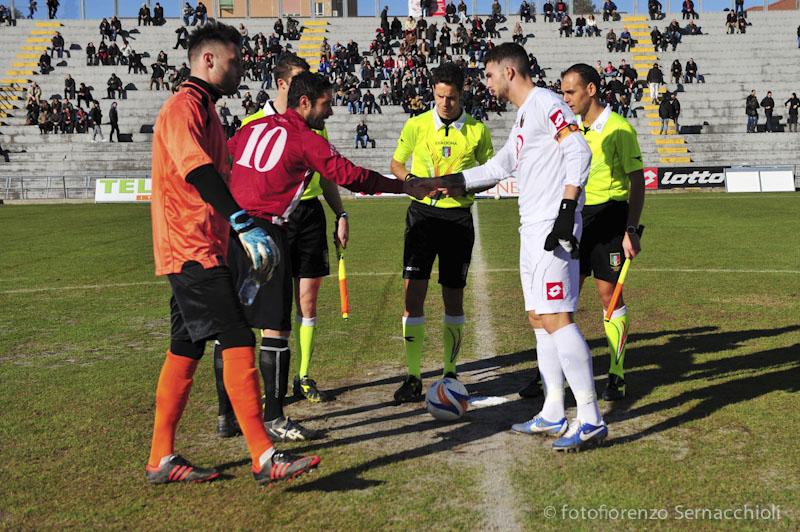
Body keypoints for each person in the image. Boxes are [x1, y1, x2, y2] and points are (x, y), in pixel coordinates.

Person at [147, 20, 321, 486]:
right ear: (209, 60)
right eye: (235, 60)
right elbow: (197, 172)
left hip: (201, 245)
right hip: (191, 246)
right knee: (238, 336)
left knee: (185, 347)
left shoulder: (205, 108)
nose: (241, 68)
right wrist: (243, 222)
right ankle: (264, 457)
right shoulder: (184, 107)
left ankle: (160, 458)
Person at [225, 72, 434, 435]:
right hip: (267, 232)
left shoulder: (252, 127)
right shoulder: (305, 138)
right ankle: (273, 419)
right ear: (304, 102)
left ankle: (228, 416)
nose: (332, 111)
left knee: (232, 326)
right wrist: (404, 186)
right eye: (326, 103)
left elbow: (224, 160)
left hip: (233, 229)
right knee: (276, 327)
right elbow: (352, 176)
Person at [432, 44, 605, 451]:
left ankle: (592, 417)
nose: (485, 82)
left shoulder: (545, 102)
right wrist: (452, 181)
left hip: (551, 226)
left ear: (509, 72)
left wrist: (567, 209)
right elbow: (500, 166)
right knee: (537, 317)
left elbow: (578, 149)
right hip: (531, 228)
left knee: (558, 317)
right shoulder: (525, 115)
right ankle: (552, 410)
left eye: (489, 75)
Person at [529, 64, 643, 401]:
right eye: (562, 92)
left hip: (610, 219)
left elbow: (636, 181)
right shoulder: (571, 128)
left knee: (610, 299)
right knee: (558, 299)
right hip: (575, 219)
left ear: (590, 90)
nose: (565, 98)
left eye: (570, 92)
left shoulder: (619, 128)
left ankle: (617, 375)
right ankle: (548, 376)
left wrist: (631, 229)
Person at [388, 62, 494, 404]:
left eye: (451, 97)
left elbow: (491, 172)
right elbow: (396, 163)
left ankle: (450, 370)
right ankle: (414, 376)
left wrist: (463, 186)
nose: (445, 103)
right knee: (412, 297)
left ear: (461, 94)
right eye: (439, 96)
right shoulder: (417, 124)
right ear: (433, 93)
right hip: (421, 218)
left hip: (458, 221)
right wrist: (411, 183)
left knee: (453, 297)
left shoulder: (477, 130)